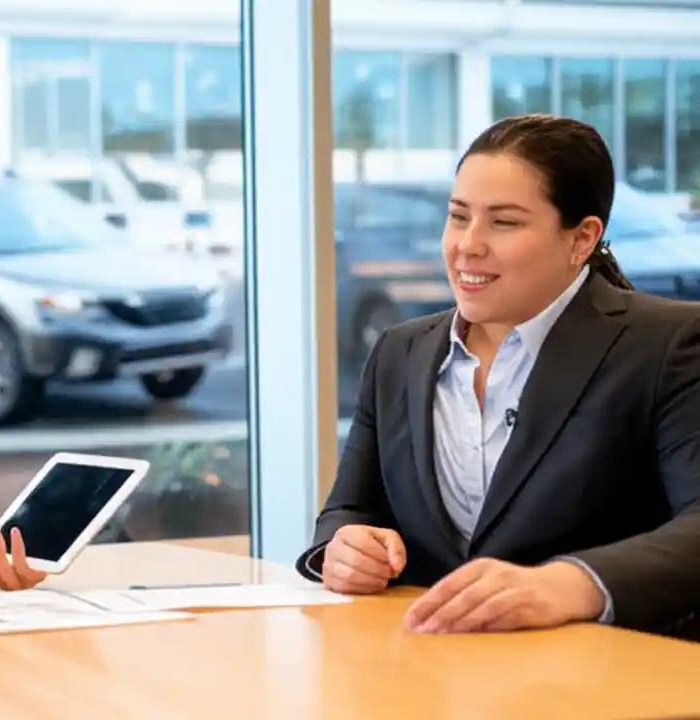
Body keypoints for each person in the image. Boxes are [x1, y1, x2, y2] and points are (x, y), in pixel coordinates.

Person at [296, 114, 700, 638]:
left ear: (581, 239)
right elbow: (351, 508)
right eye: (458, 216)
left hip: (608, 684)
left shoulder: (669, 343)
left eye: (503, 223)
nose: (468, 244)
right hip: (429, 677)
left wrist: (566, 585)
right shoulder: (401, 351)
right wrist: (343, 548)